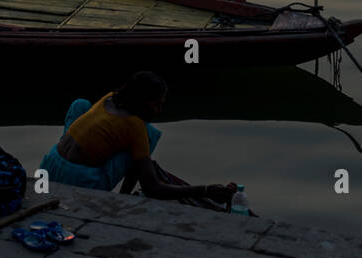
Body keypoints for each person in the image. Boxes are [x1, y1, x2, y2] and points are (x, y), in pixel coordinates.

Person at [41, 71, 235, 203]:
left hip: (51, 164)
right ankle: (124, 198)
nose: (159, 110)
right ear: (140, 101)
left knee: (80, 104)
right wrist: (205, 190)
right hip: (81, 182)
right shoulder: (135, 126)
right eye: (155, 105)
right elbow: (152, 189)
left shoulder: (109, 97)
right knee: (148, 137)